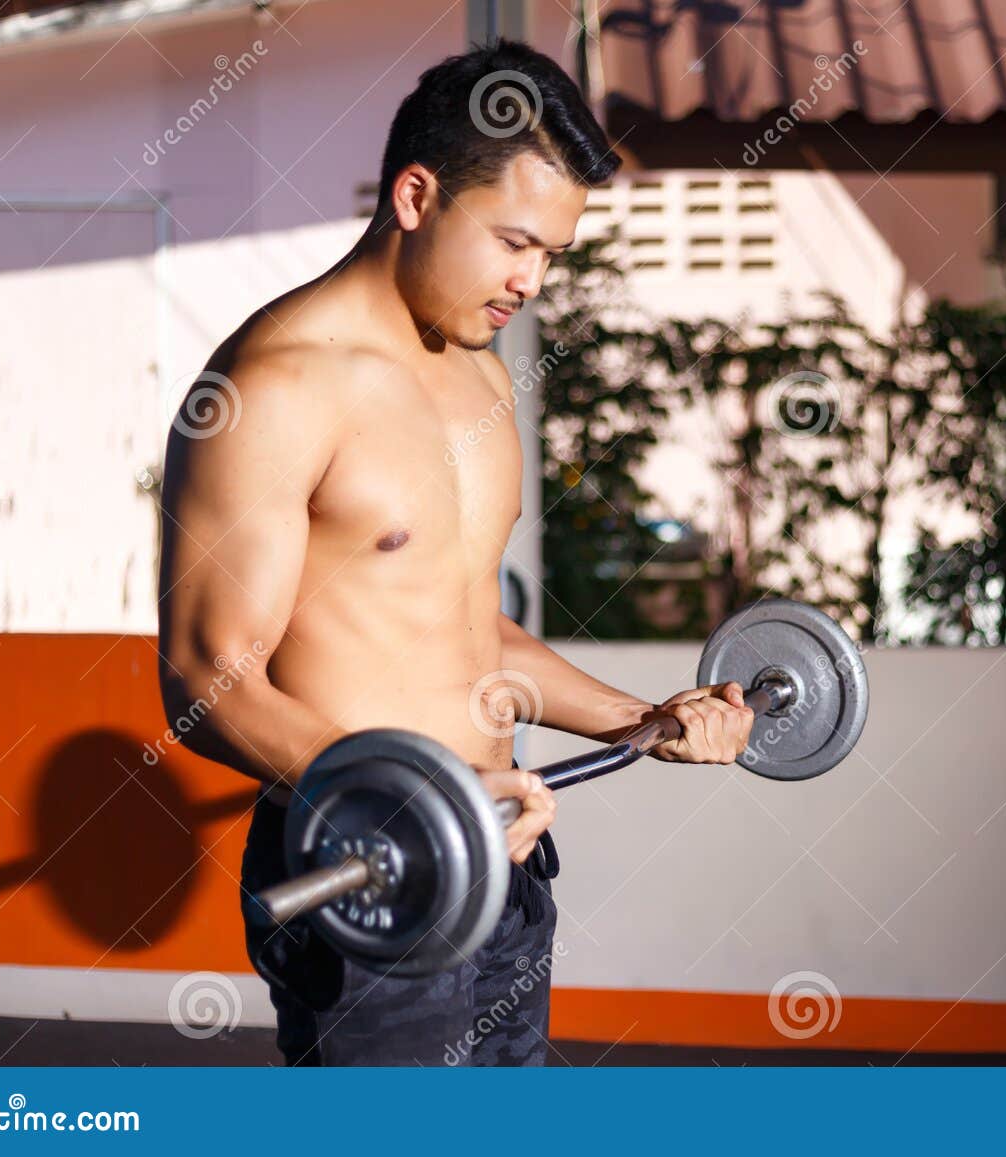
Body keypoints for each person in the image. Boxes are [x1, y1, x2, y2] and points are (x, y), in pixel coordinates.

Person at [154, 39, 755, 1066]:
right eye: (515, 241)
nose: (532, 279)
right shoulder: (274, 385)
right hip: (372, 865)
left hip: (505, 866)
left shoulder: (476, 379)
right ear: (416, 194)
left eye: (553, 255)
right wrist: (425, 798)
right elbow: (206, 682)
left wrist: (643, 719)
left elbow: (471, 634)